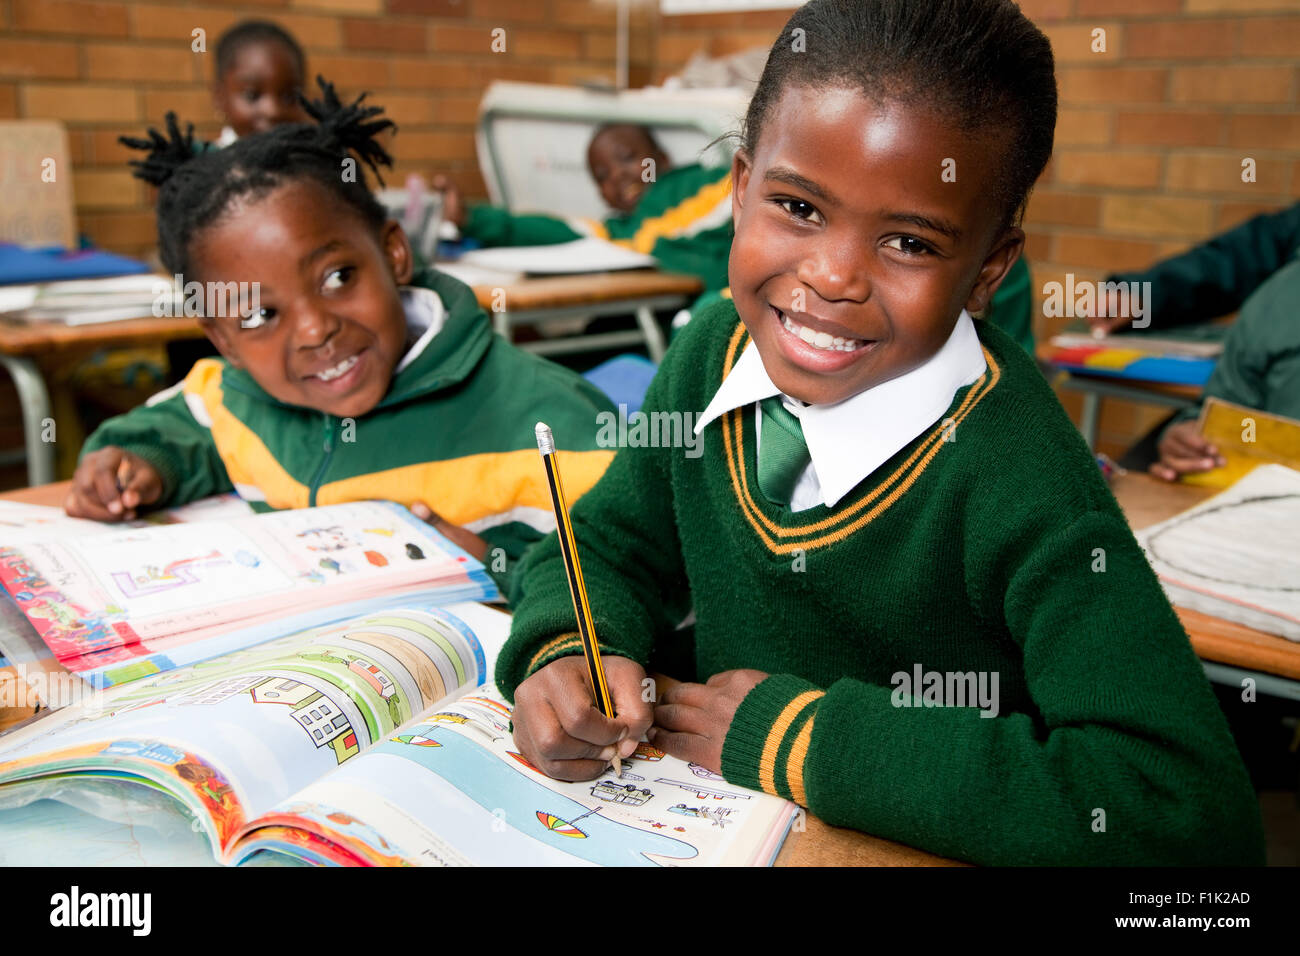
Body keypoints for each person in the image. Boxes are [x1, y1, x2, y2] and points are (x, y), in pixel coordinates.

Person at [494, 0, 1263, 865]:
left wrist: (811, 743)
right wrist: (569, 649)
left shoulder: (1020, 470)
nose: (829, 277)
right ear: (740, 188)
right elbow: (607, 543)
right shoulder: (714, 348)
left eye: (907, 241)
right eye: (797, 206)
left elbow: (1184, 809)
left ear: (987, 272)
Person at [65, 79, 616, 596]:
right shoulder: (236, 399)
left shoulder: (550, 424)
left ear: (394, 254)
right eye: (258, 316)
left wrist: (498, 576)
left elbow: (642, 578)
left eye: (337, 278)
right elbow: (179, 428)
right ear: (224, 340)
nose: (314, 329)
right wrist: (134, 467)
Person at [1084, 204, 1300, 481]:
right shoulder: (1279, 296)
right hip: (1253, 493)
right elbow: (1236, 257)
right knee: (1132, 469)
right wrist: (1189, 436)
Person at [437, 124, 734, 294]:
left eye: (628, 158)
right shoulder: (617, 232)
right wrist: (470, 218)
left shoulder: (702, 186)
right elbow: (553, 231)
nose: (617, 176)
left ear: (663, 159)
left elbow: (758, 191)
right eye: (603, 176)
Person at [211, 20, 309, 145]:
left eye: (289, 97)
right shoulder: (205, 162)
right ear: (219, 97)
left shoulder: (315, 160)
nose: (273, 111)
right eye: (252, 95)